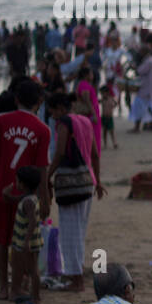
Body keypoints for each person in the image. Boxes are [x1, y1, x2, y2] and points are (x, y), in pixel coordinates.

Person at [0, 78, 52, 301]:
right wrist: (45, 197)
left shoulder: (0, 121)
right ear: (39, 101)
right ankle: (20, 285)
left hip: (2, 189)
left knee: (2, 239)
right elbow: (42, 168)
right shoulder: (42, 129)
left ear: (16, 99)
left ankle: (4, 287)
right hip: (27, 194)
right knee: (23, 240)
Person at [45, 91, 106, 292]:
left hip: (70, 185)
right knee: (78, 231)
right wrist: (98, 181)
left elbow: (60, 152)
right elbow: (95, 154)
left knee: (69, 233)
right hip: (87, 181)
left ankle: (75, 278)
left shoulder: (64, 123)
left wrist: (47, 176)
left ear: (60, 108)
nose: (52, 116)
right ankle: (75, 274)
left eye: (53, 111)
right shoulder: (86, 122)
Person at [8, 165, 44, 304]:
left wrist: (26, 241)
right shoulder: (30, 198)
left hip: (29, 241)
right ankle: (32, 296)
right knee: (30, 268)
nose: (16, 183)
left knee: (33, 270)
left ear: (23, 184)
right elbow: (14, 199)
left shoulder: (28, 201)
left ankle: (36, 299)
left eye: (17, 181)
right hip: (28, 240)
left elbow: (33, 221)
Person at [127, 45, 152, 132]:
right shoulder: (150, 60)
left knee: (140, 107)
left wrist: (133, 67)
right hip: (148, 88)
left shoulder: (149, 61)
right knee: (149, 108)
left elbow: (140, 71)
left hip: (146, 89)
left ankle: (137, 127)